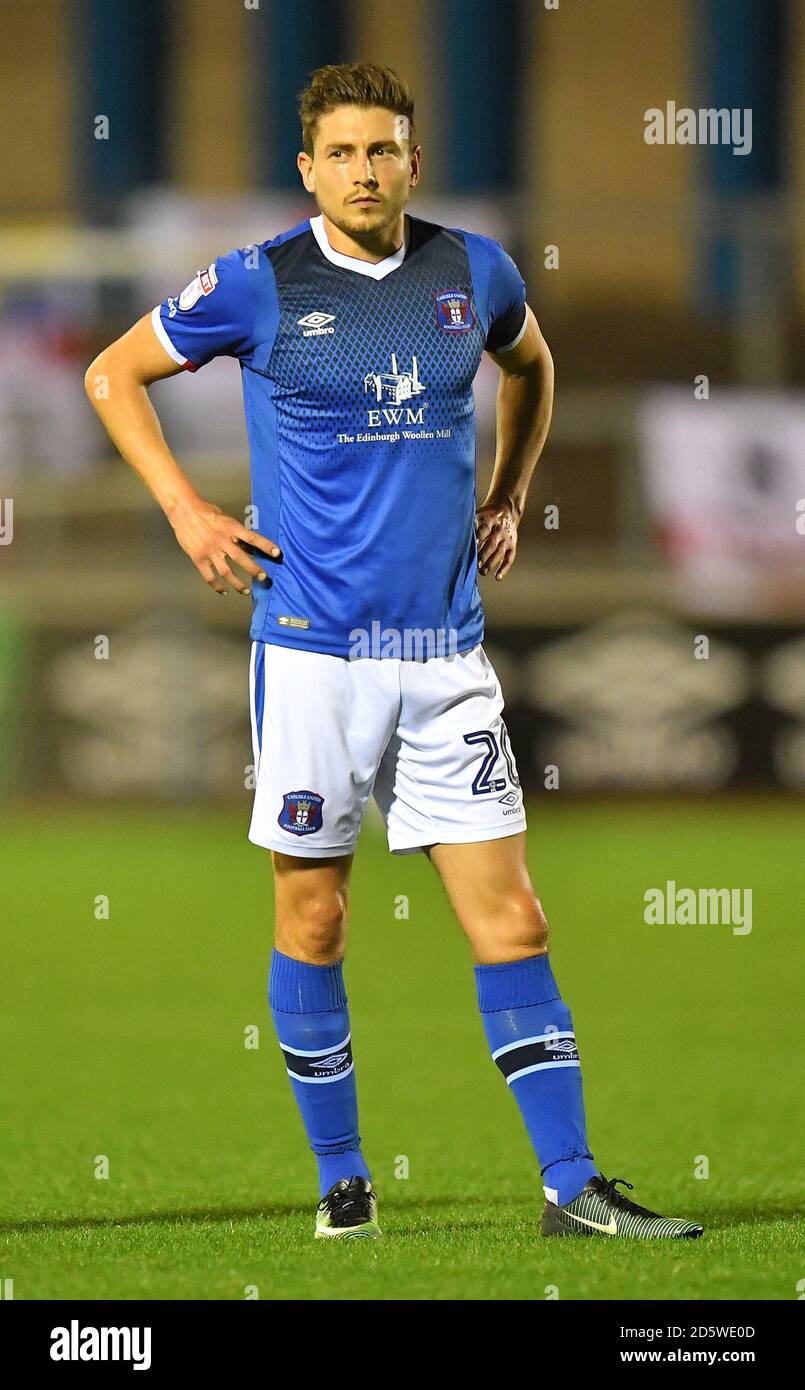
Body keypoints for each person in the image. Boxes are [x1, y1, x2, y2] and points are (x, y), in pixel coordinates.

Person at [85, 61, 702, 1242]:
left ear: (414, 160)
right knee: (314, 920)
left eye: (386, 150)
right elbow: (114, 373)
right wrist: (186, 510)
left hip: (445, 657)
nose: (366, 172)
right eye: (343, 154)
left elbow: (532, 364)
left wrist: (509, 492)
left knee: (513, 919)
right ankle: (344, 1181)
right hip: (312, 656)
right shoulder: (259, 283)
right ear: (306, 169)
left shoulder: (473, 272)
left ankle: (572, 1187)